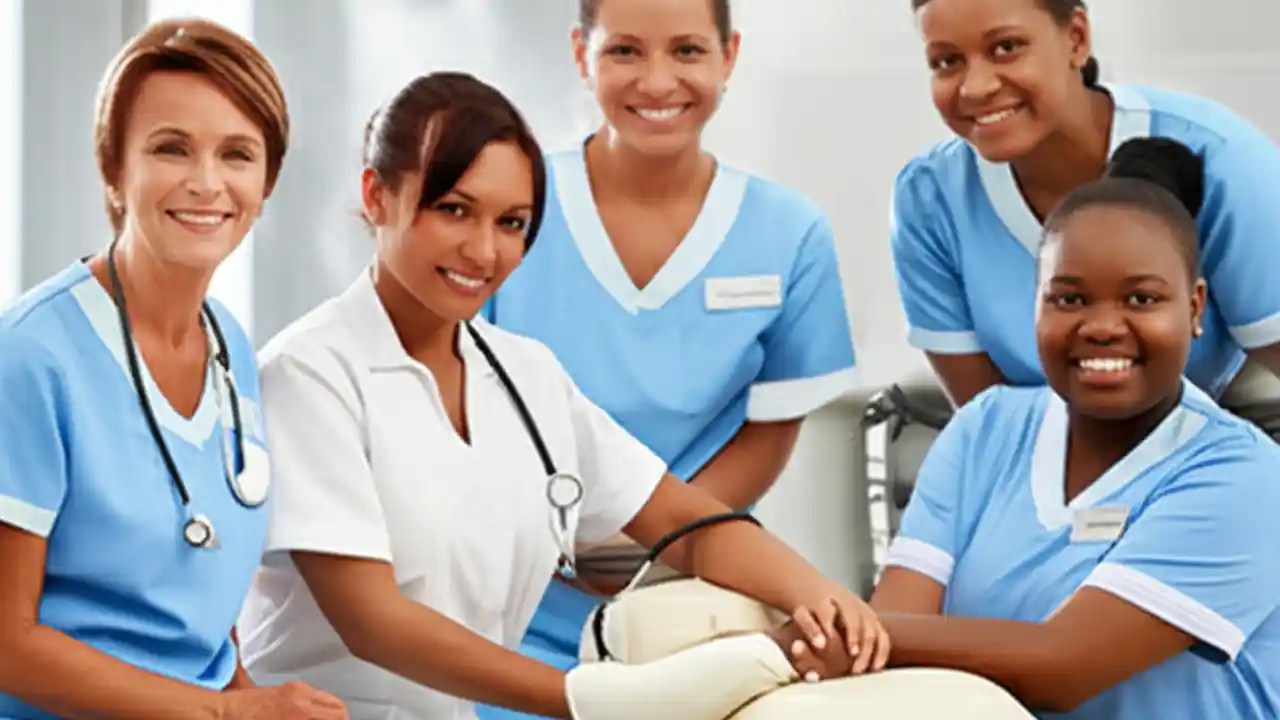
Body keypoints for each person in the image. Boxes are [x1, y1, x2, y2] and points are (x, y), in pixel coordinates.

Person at [234, 71, 886, 720]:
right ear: (377, 196)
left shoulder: (527, 376)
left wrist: (820, 594)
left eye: (512, 222)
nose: (484, 250)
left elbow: (684, 526)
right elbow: (370, 620)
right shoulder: (309, 374)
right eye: (453, 210)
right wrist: (587, 699)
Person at [481, 0, 861, 694]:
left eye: (687, 51)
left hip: (698, 590)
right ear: (580, 54)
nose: (657, 81)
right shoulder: (510, 207)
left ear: (729, 56)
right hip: (515, 590)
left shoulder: (789, 232)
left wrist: (656, 541)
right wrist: (568, 537)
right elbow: (461, 399)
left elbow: (769, 431)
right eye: (625, 51)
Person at [0, 18, 346, 720]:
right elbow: (8, 644)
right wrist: (228, 714)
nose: (206, 183)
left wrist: (251, 698)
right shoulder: (32, 356)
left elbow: (197, 609)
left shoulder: (232, 349)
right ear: (114, 169)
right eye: (171, 148)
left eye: (238, 155)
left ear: (266, 181)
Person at [868, 138, 1280, 717]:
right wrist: (862, 634)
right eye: (1069, 298)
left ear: (1194, 309)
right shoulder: (986, 429)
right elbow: (896, 634)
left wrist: (828, 631)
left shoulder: (1247, 478)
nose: (1103, 326)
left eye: (1141, 298)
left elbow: (1061, 667)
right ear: (1035, 304)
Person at [890, 0, 1280, 439]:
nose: (975, 87)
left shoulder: (1221, 159)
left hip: (1212, 443)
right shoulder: (928, 199)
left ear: (1076, 38)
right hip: (1046, 466)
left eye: (1006, 48)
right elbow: (988, 429)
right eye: (946, 62)